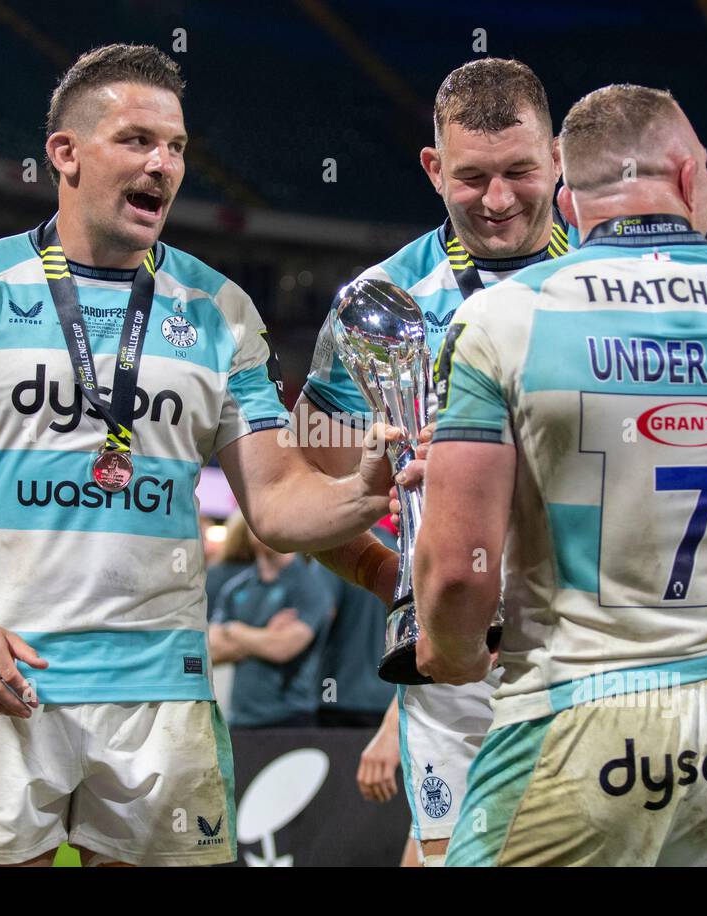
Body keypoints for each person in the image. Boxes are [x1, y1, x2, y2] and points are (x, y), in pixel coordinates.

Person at [0, 43, 398, 868]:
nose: (163, 165)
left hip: (162, 699)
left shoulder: (220, 309)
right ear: (64, 154)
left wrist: (363, 494)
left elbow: (279, 502)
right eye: (138, 140)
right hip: (8, 686)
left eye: (176, 147)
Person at [414, 83, 707, 866]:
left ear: (568, 199)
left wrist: (452, 655)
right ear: (686, 175)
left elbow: (462, 574)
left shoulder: (504, 318)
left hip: (572, 718)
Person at [291, 57, 574, 867]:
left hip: (598, 636)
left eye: (521, 171)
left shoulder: (617, 279)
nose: (498, 200)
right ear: (433, 168)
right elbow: (307, 485)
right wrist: (387, 573)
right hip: (460, 644)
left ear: (556, 158)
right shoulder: (378, 304)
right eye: (472, 176)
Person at [207, 529, 336, 729]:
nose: (263, 529)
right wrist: (266, 635)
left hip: (290, 718)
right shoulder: (236, 588)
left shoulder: (311, 586)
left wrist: (234, 630)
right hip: (240, 720)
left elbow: (283, 649)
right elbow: (211, 650)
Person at [317, 522, 397, 727]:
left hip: (338, 697)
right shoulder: (405, 556)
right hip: (389, 699)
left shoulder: (336, 551)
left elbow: (321, 615)